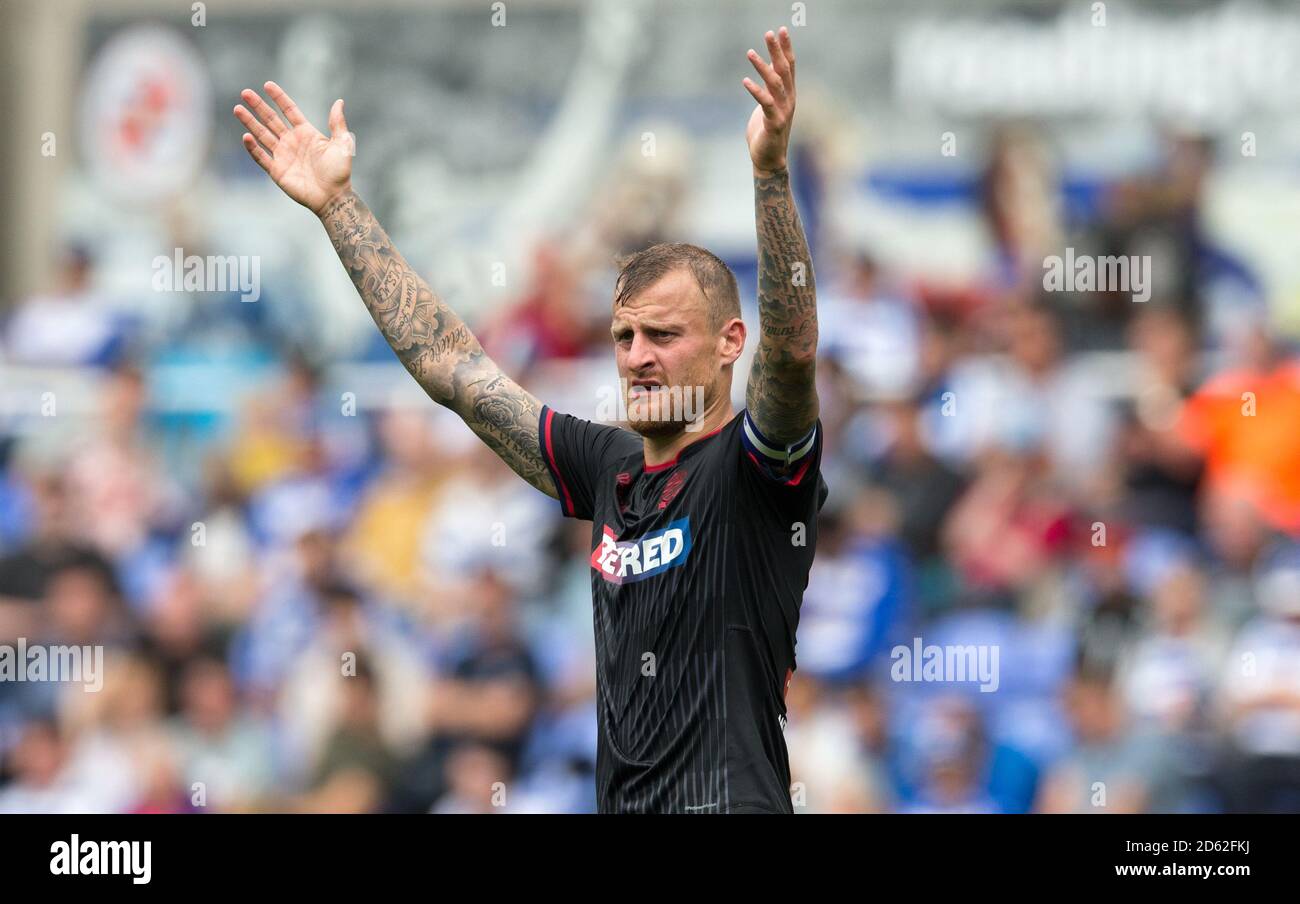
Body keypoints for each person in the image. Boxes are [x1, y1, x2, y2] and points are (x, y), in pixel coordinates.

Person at [231, 26, 825, 814]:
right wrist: (338, 207)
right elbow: (454, 368)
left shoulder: (755, 472)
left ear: (729, 344)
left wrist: (769, 174)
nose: (638, 357)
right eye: (624, 336)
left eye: (664, 335)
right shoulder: (608, 469)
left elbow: (790, 358)